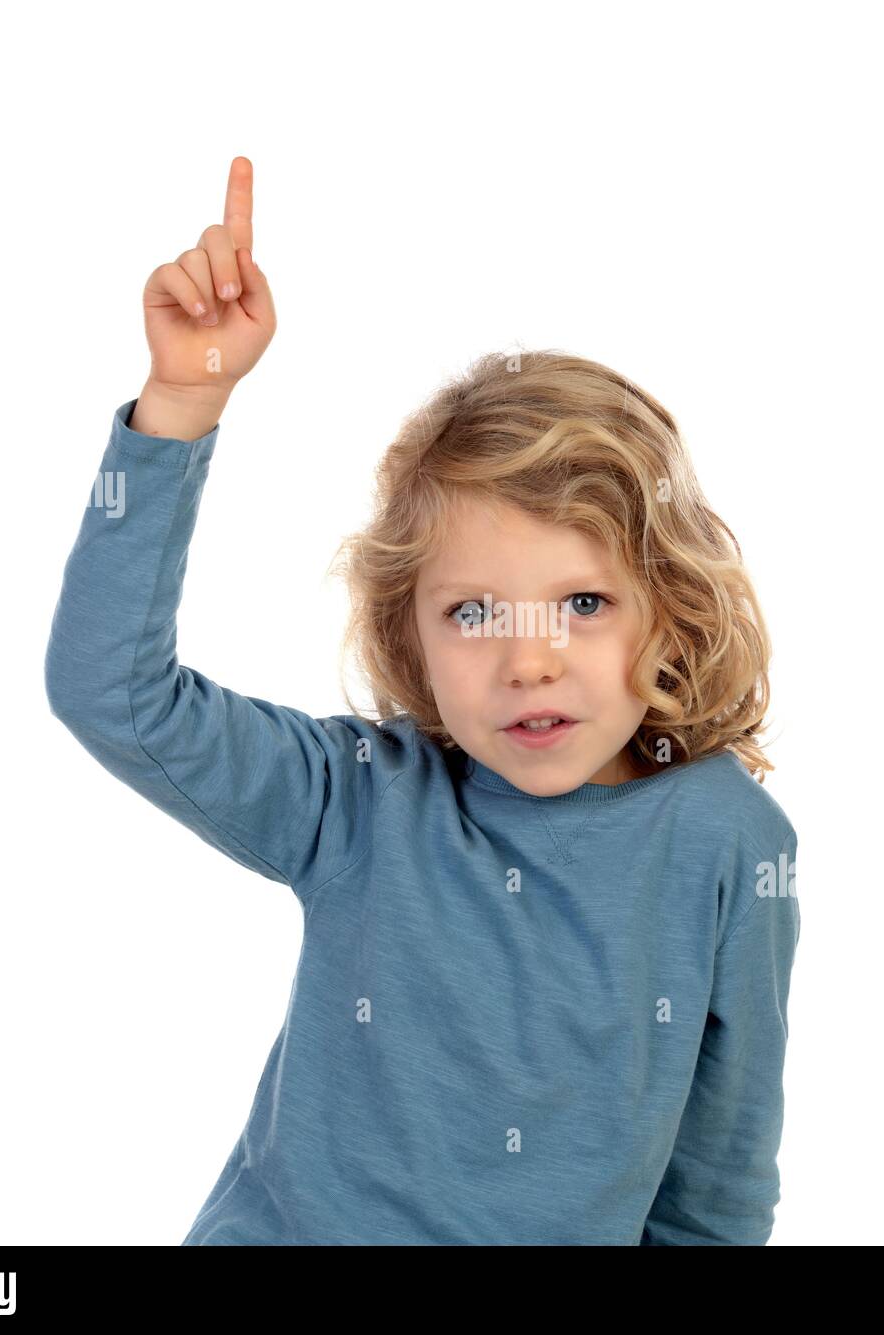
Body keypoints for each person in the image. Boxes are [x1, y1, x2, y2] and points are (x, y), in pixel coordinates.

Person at [44, 156, 802, 1245]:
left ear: (667, 613)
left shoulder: (728, 840)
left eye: (582, 602)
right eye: (473, 613)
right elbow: (108, 690)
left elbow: (718, 1182)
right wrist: (181, 403)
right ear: (412, 638)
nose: (529, 660)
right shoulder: (357, 799)